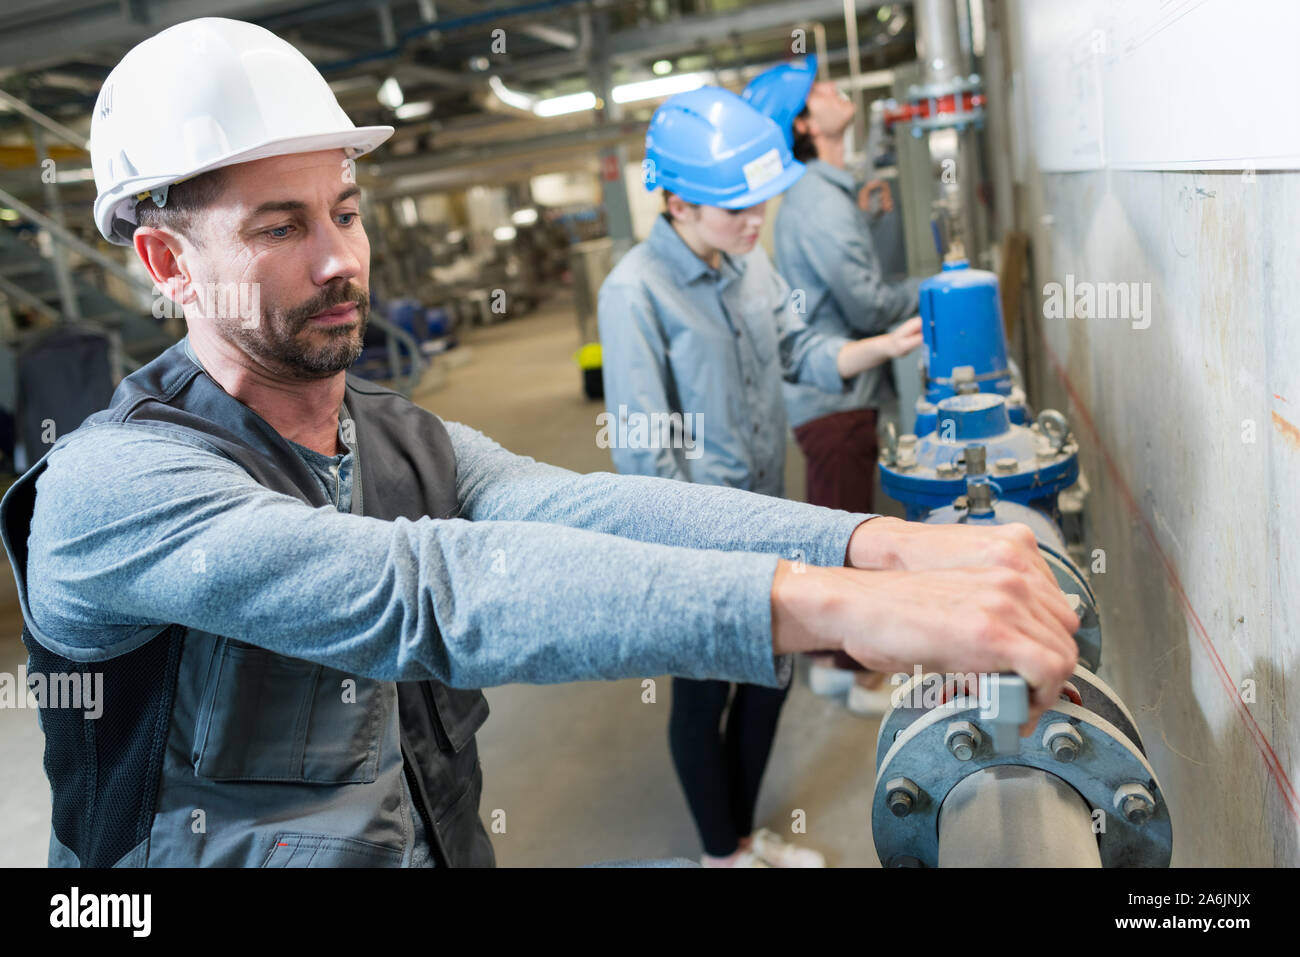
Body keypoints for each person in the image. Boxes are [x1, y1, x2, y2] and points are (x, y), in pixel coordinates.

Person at [0, 18, 1079, 869]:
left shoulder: (396, 438)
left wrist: (875, 548)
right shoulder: (115, 487)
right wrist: (846, 611)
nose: (340, 260)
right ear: (167, 262)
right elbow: (426, 592)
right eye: (281, 227)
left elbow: (587, 507)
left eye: (346, 211)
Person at [598, 87, 923, 867]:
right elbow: (644, 450)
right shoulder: (634, 291)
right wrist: (682, 557)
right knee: (703, 693)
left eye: (760, 203)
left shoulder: (750, 266)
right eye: (737, 207)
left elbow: (801, 351)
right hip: (692, 537)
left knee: (772, 676)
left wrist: (884, 345)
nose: (756, 220)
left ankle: (741, 838)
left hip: (764, 518)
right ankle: (725, 853)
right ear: (678, 202)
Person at [745, 58, 923, 715]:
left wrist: (865, 218)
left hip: (832, 395)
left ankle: (831, 664)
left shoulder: (826, 194)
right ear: (804, 124)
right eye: (816, 89)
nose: (832, 88)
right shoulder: (820, 202)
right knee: (847, 538)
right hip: (835, 398)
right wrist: (934, 286)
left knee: (836, 524)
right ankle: (855, 673)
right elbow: (868, 304)